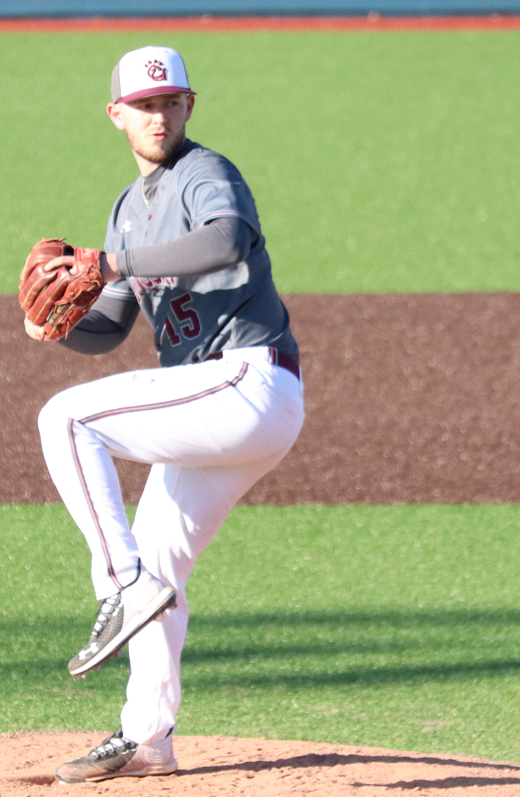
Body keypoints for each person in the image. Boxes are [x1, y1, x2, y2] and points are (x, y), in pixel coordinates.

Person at [25, 45, 305, 784]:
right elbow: (111, 326)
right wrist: (53, 324)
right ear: (116, 115)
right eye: (143, 105)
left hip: (247, 381)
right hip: (215, 408)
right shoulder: (125, 209)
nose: (158, 115)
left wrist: (112, 262)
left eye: (170, 102)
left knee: (66, 421)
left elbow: (225, 241)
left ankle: (119, 586)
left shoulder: (205, 174)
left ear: (189, 107)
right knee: (161, 566)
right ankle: (148, 736)